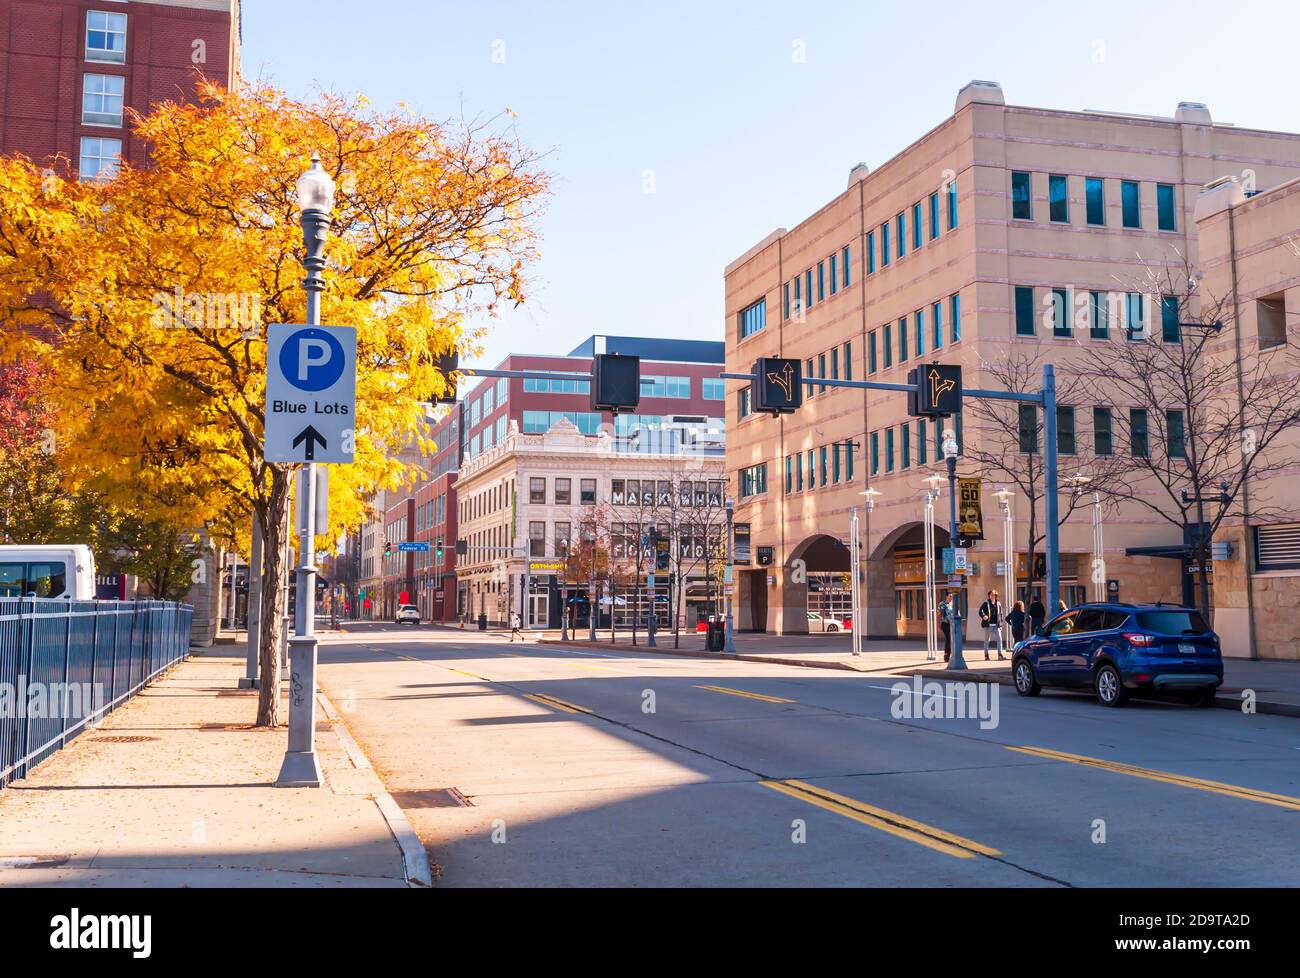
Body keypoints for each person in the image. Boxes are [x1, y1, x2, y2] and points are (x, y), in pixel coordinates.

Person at [978, 589, 1006, 661]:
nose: (993, 596)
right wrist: (983, 616)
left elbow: (1001, 614)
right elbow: (980, 611)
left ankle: (1000, 655)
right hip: (988, 625)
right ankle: (986, 655)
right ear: (989, 596)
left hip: (996, 625)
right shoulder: (986, 603)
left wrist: (1001, 625)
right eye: (991, 595)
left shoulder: (998, 603)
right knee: (987, 640)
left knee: (999, 639)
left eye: (994, 595)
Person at [939, 594, 953, 661]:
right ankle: (947, 655)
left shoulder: (953, 604)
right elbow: (939, 614)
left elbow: (958, 612)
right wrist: (938, 625)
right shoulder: (942, 604)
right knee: (948, 639)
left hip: (952, 624)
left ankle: (949, 654)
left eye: (952, 596)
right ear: (946, 596)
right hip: (945, 623)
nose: (951, 597)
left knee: (951, 639)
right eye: (950, 596)